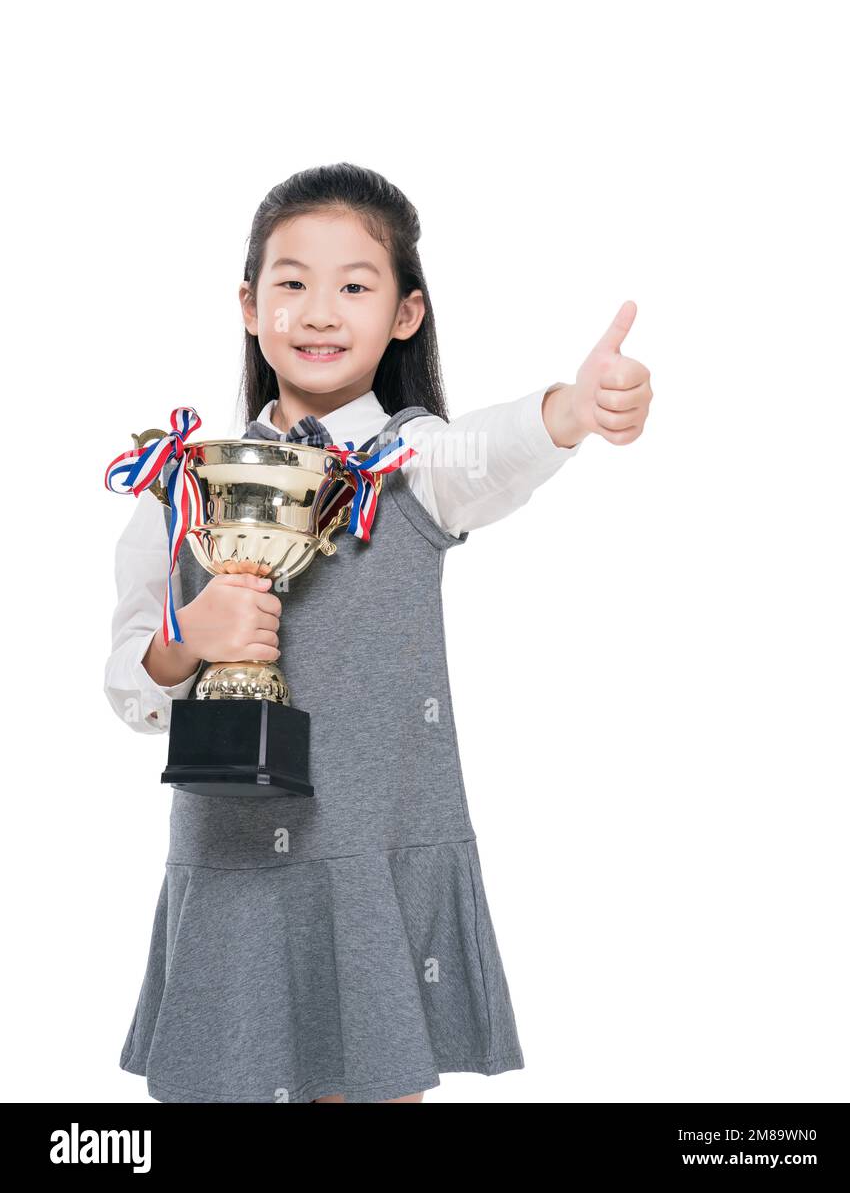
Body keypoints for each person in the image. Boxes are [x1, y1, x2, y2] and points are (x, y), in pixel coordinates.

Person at [104, 162, 652, 1103]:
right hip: (229, 847)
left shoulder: (413, 463)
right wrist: (189, 634)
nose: (320, 311)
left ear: (405, 314)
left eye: (354, 286)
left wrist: (573, 409)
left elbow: (499, 447)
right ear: (249, 303)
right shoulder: (182, 480)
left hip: (375, 845)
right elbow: (131, 682)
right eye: (292, 282)